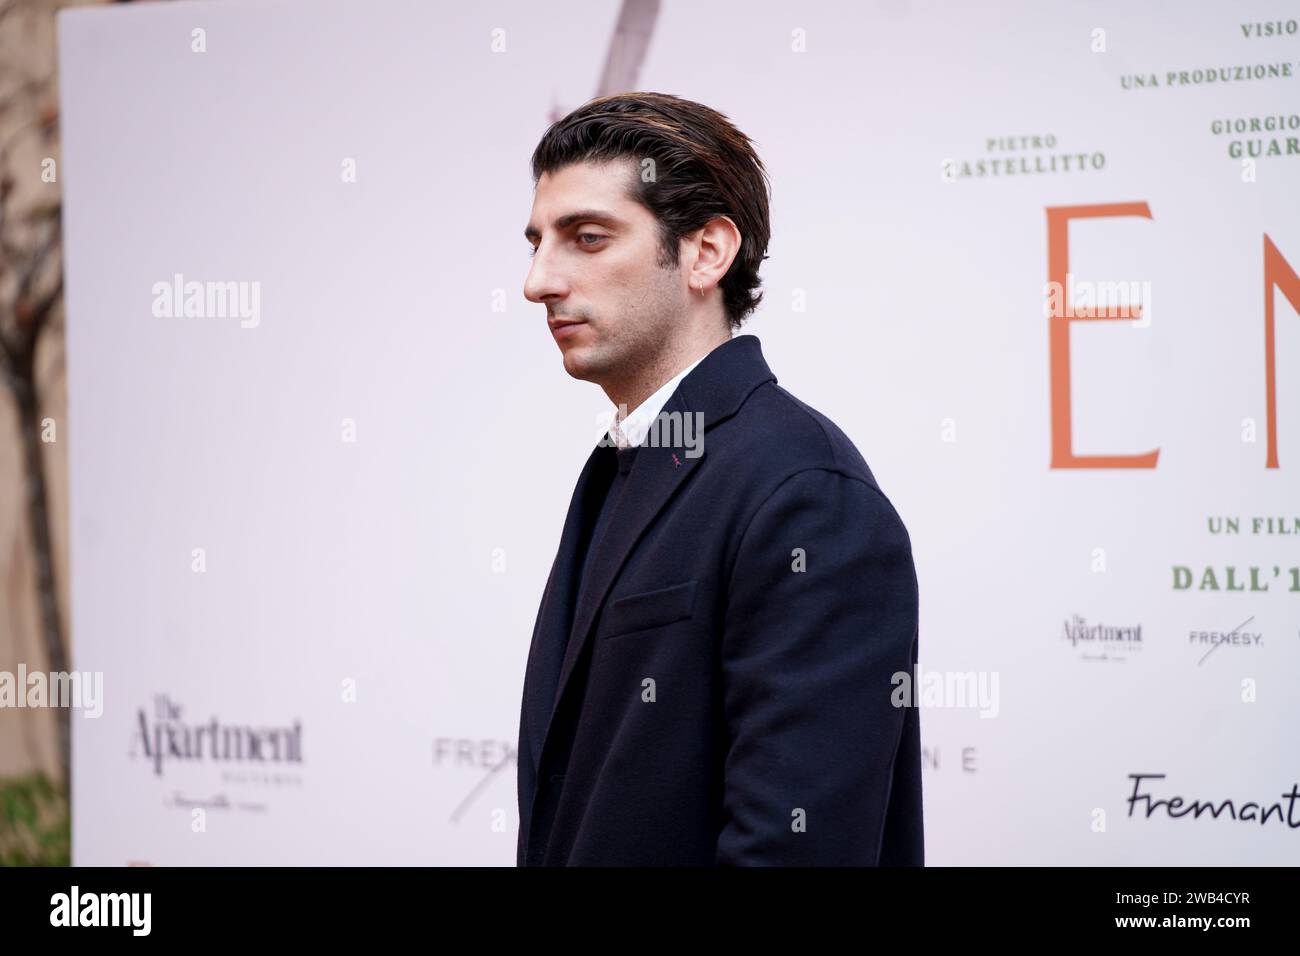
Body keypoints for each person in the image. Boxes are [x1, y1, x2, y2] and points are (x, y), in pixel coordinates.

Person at [516, 92, 922, 866]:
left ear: (707, 252)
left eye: (588, 239)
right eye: (536, 244)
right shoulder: (629, 461)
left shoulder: (807, 494)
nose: (539, 282)